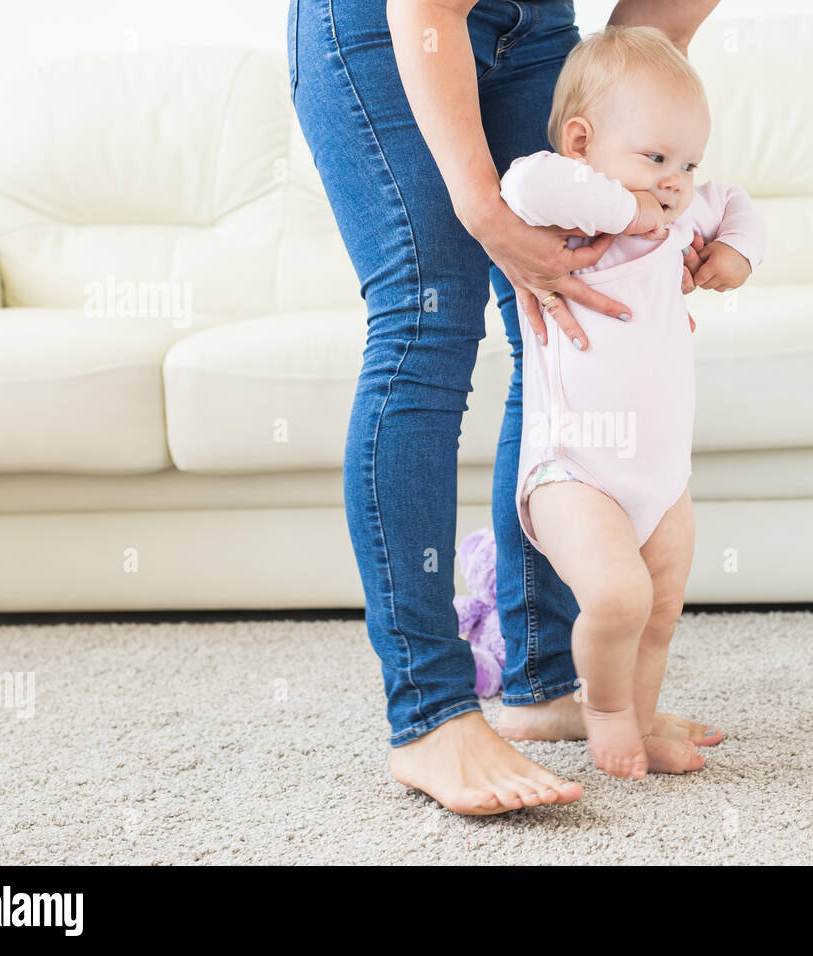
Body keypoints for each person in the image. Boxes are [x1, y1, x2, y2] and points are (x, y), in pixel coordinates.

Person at [287, 0, 721, 815]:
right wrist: (486, 212)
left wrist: (656, 240)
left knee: (561, 315)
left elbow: (657, 39)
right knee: (427, 319)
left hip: (538, 27)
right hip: (390, 22)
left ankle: (543, 681)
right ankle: (429, 715)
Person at [501, 25, 765, 779]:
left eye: (686, 163)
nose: (675, 182)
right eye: (655, 158)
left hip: (661, 475)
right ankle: (605, 712)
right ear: (583, 143)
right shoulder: (568, 212)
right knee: (617, 598)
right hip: (574, 471)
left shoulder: (682, 213)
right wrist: (626, 210)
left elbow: (739, 205)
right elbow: (522, 182)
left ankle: (642, 721)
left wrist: (735, 253)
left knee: (660, 609)